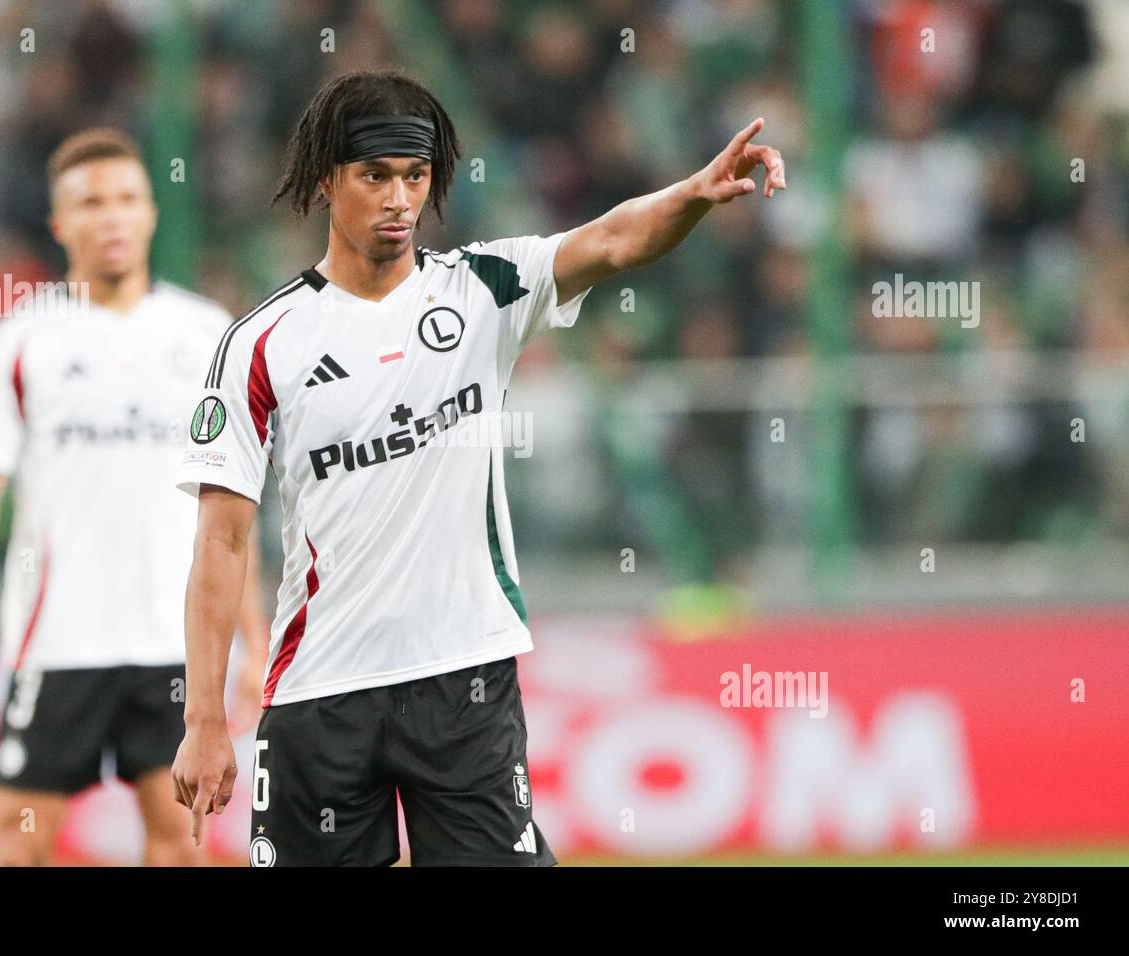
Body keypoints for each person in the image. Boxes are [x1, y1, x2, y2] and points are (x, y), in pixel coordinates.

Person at [171, 69, 785, 866]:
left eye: (415, 177)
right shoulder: (263, 343)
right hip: (321, 691)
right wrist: (204, 720)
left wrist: (695, 195)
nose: (400, 199)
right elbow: (220, 543)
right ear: (327, 181)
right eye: (376, 176)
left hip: (463, 682)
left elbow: (612, 239)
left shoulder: (483, 289)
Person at [0, 127, 270, 866]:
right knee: (19, 848)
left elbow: (228, 510)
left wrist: (253, 638)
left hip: (174, 647)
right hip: (57, 642)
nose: (111, 216)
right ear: (60, 223)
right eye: (91, 202)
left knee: (179, 845)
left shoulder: (206, 336)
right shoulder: (22, 341)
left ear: (151, 213)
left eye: (127, 199)